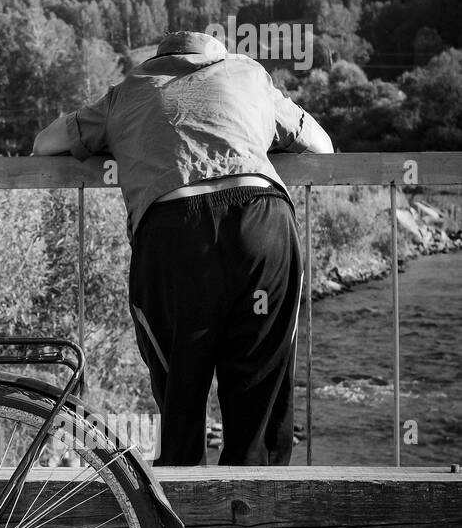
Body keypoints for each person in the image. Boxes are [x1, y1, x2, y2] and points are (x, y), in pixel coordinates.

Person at [32, 30, 334, 466]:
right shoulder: (246, 74)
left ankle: (178, 507)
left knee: (180, 390)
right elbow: (322, 145)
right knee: (260, 387)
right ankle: (257, 518)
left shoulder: (128, 91)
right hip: (260, 221)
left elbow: (44, 144)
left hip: (173, 230)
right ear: (217, 57)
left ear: (158, 62)